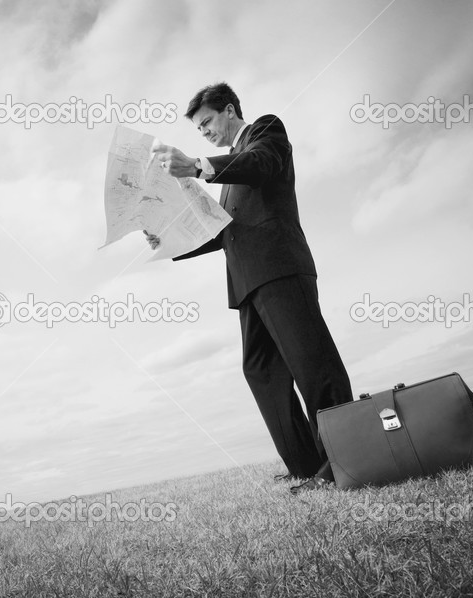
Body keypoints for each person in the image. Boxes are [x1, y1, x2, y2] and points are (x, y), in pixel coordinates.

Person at [147, 82, 352, 494]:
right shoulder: (227, 177)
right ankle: (306, 466)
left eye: (206, 122)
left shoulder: (265, 132)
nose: (203, 132)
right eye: (198, 128)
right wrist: (167, 240)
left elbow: (260, 165)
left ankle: (344, 460)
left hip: (279, 269)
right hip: (246, 283)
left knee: (312, 364)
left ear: (228, 110)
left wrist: (198, 165)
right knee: (262, 372)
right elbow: (221, 231)